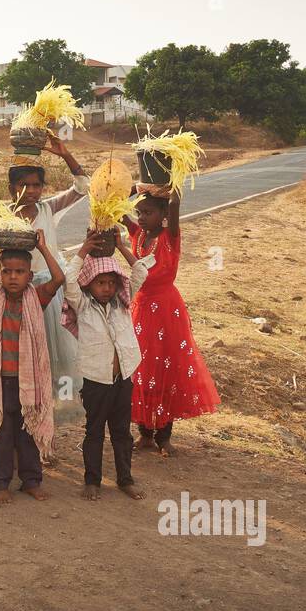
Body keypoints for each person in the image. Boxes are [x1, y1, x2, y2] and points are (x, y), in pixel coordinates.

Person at [0, 229, 65, 504]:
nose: (12, 277)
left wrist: (43, 248)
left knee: (29, 432)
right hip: (1, 380)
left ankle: (31, 481)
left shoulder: (36, 297)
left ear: (29, 276)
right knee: (1, 432)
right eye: (7, 271)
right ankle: (0, 483)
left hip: (28, 382)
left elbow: (59, 279)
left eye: (19, 271)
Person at [124, 185, 220, 456]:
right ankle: (144, 433)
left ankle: (164, 435)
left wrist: (171, 182)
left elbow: (176, 202)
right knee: (142, 369)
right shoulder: (137, 234)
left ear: (164, 214)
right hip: (141, 308)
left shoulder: (170, 236)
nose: (141, 217)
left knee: (167, 368)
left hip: (167, 311)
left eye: (148, 212)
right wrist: (135, 188)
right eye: (139, 212)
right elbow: (115, 205)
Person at [0, 132, 88, 416]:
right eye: (25, 185)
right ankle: (24, 423)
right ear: (12, 188)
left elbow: (83, 187)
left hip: (48, 293)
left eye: (37, 185)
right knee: (24, 362)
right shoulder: (3, 217)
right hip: (16, 297)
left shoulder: (48, 209)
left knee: (50, 358)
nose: (33, 191)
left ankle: (46, 429)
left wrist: (65, 155)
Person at [64, 229, 153, 499]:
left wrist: (121, 245)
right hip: (95, 381)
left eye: (111, 282)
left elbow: (141, 273)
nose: (106, 288)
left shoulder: (122, 303)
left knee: (121, 432)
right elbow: (68, 281)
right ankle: (92, 481)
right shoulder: (82, 305)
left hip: (122, 379)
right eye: (100, 282)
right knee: (94, 431)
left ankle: (125, 479)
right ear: (89, 283)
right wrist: (83, 249)